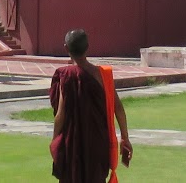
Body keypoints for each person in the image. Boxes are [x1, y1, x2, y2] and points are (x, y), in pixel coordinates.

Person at [48, 29, 132, 183]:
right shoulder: (102, 75)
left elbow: (61, 114)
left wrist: (54, 141)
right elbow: (118, 108)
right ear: (88, 47)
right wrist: (125, 139)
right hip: (98, 144)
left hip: (72, 146)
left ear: (66, 48)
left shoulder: (65, 75)